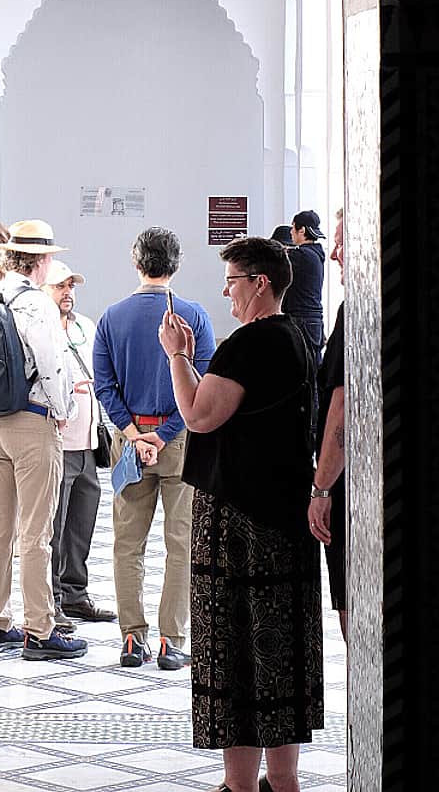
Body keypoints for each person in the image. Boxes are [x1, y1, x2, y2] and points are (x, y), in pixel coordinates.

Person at [158, 236, 323, 792]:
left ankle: (239, 785)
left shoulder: (249, 343)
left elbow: (200, 416)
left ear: (259, 282)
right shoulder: (297, 338)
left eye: (232, 280)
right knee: (278, 656)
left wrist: (178, 355)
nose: (226, 291)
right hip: (285, 517)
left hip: (238, 524)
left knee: (234, 657)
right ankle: (283, 780)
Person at [93, 226, 215, 670]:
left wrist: (133, 433)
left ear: (136, 261)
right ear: (176, 264)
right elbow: (204, 386)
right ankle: (172, 640)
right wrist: (165, 434)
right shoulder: (194, 316)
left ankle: (131, 638)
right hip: (180, 441)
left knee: (128, 544)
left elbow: (103, 386)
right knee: (180, 542)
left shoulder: (111, 317)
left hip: (130, 444)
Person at [0, 219, 89, 661]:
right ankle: (40, 630)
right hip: (32, 423)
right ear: (41, 261)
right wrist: (62, 413)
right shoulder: (37, 305)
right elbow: (52, 365)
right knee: (36, 531)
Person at [40, 259, 117, 629]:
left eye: (71, 286)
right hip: (57, 441)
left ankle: (75, 593)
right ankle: (50, 599)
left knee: (82, 521)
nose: (68, 292)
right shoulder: (40, 329)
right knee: (53, 527)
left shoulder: (86, 326)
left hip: (87, 440)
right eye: (60, 286)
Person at [309, 209, 347, 641]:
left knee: (354, 612)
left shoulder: (354, 313)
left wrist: (321, 489)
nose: (334, 253)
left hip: (350, 489)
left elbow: (342, 406)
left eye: (341, 241)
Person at [283, 210, 326, 364]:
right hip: (313, 321)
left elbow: (276, 264)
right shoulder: (315, 254)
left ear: (301, 230)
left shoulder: (301, 256)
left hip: (302, 321)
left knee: (303, 370)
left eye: (293, 227)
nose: (290, 232)